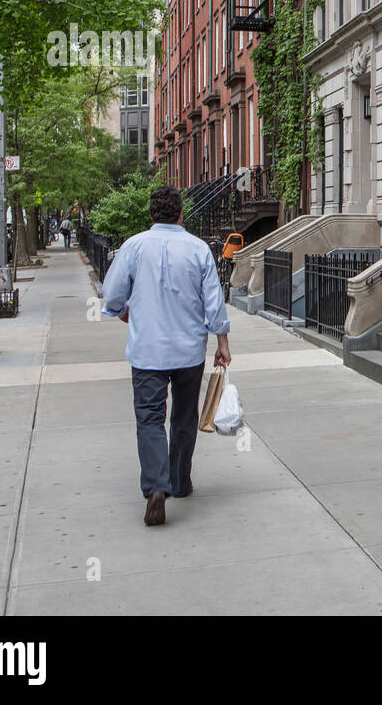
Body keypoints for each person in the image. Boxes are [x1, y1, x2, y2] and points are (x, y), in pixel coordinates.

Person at [100, 185, 232, 526]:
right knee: (184, 419)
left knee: (149, 419)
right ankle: (179, 481)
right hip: (189, 350)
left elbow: (112, 292)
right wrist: (223, 342)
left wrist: (120, 310)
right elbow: (214, 301)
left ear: (151, 215)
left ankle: (157, 488)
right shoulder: (198, 249)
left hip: (147, 352)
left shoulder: (133, 246)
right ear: (180, 214)